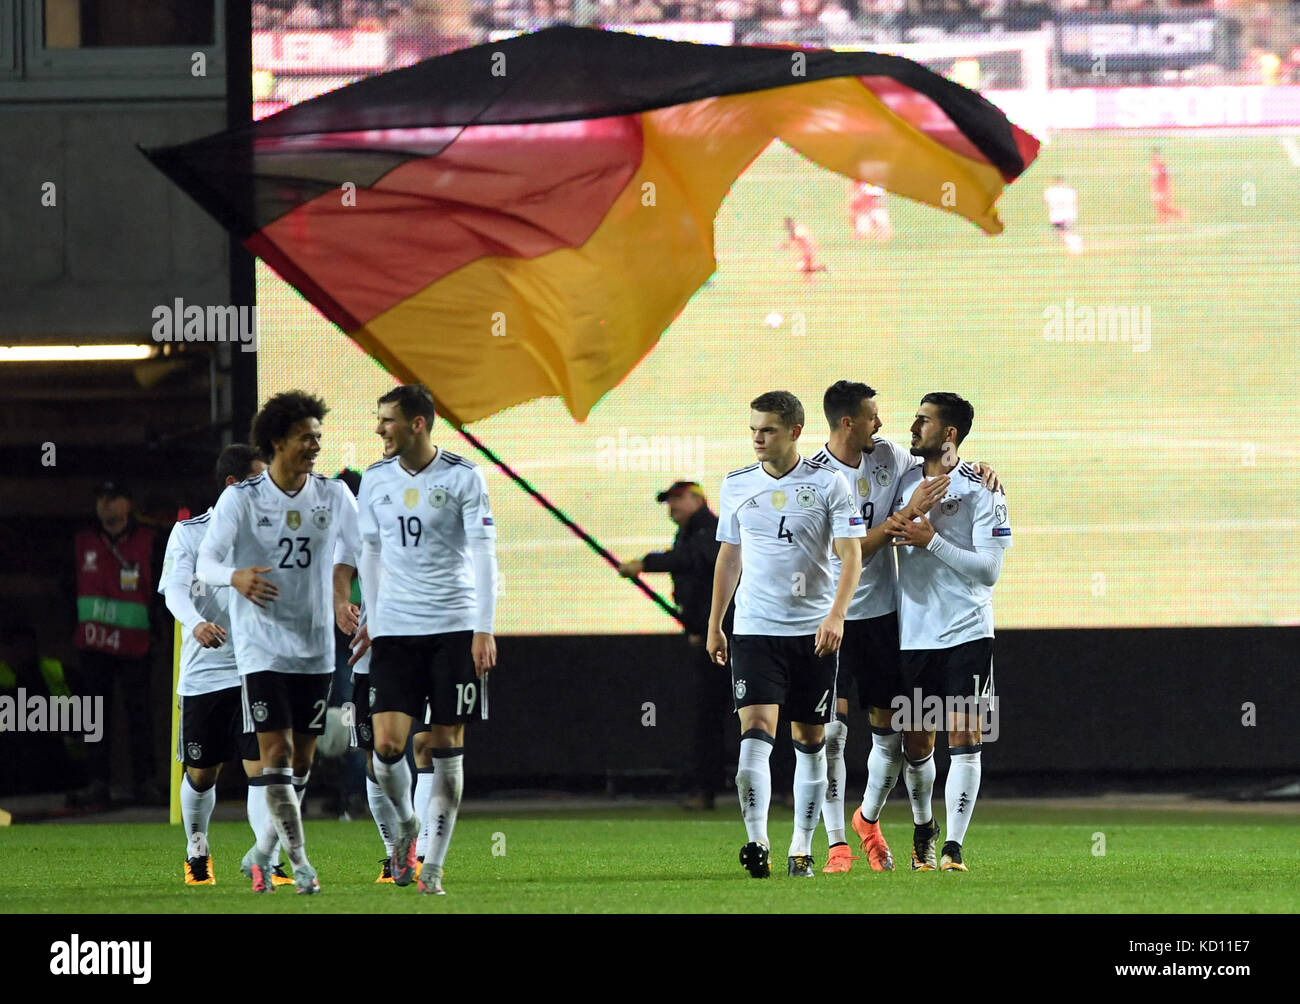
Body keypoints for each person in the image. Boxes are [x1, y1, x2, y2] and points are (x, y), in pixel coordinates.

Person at [809, 381, 1002, 873]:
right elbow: (849, 547)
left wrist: (976, 474)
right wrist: (905, 519)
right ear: (849, 421)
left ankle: (931, 837)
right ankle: (835, 843)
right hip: (855, 623)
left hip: (917, 626)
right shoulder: (842, 475)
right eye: (879, 416)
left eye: (923, 419)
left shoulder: (919, 469)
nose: (900, 426)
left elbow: (988, 567)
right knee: (837, 735)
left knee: (918, 743)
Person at [335, 383, 499, 895]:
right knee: (385, 745)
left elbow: (484, 555)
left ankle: (432, 868)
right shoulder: (377, 480)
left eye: (387, 420)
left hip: (453, 630)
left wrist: (483, 626)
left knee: (444, 744)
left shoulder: (463, 476)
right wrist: (375, 620)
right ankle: (407, 826)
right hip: (397, 634)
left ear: (418, 424)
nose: (379, 429)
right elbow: (372, 554)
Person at [197, 391, 360, 895]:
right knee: (278, 755)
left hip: (313, 647)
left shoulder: (333, 495)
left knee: (303, 762)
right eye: (305, 437)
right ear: (276, 442)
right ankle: (302, 864)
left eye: (317, 436)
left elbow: (356, 548)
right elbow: (206, 562)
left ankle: (260, 855)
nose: (315, 445)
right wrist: (236, 578)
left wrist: (340, 598)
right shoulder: (242, 498)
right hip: (260, 646)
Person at [706, 390, 864, 878]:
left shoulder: (829, 483)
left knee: (810, 739)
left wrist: (836, 615)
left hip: (812, 634)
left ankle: (801, 847)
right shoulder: (736, 485)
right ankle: (756, 841)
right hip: (755, 631)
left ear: (795, 431)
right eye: (754, 428)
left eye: (768, 429)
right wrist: (716, 622)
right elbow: (729, 556)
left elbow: (851, 554)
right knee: (754, 732)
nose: (757, 437)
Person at [883, 393, 1012, 872]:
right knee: (917, 745)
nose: (913, 427)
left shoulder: (983, 488)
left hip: (968, 631)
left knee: (965, 734)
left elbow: (989, 571)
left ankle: (954, 848)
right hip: (915, 632)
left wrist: (930, 540)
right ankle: (924, 826)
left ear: (950, 433)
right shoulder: (901, 480)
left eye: (924, 420)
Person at [160, 444, 292, 887]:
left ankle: (266, 860)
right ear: (235, 486)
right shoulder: (190, 534)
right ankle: (197, 847)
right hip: (204, 672)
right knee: (202, 773)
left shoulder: (268, 535)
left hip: (253, 669)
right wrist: (196, 624)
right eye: (258, 482)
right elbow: (175, 591)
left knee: (263, 768)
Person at [618, 481, 734, 810]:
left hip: (728, 639)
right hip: (708, 639)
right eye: (669, 502)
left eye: (678, 500)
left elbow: (695, 561)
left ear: (698, 499)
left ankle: (774, 789)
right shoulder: (687, 534)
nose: (672, 507)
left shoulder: (710, 530)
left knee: (733, 716)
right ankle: (706, 789)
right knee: (709, 717)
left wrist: (645, 564)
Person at [72, 480, 163, 807]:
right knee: (94, 715)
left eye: (114, 498)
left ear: (128, 503)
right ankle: (96, 782)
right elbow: (67, 587)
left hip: (135, 642)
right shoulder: (83, 542)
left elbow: (160, 590)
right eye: (101, 499)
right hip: (94, 645)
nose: (106, 505)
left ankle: (145, 782)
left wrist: (156, 630)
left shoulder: (149, 542)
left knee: (140, 714)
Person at [1043, 176, 1082, 254]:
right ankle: (1074, 244)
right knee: (1063, 232)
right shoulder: (1070, 191)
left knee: (1062, 232)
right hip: (1069, 214)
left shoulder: (1050, 191)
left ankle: (1075, 245)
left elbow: (1046, 202)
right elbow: (1074, 202)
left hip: (1057, 216)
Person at [1148, 148, 1186, 223]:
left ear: (1159, 156)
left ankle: (1180, 214)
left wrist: (1166, 189)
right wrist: (1153, 190)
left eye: (1156, 156)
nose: (1155, 157)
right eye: (1153, 156)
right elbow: (1153, 179)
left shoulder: (1162, 165)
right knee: (1159, 207)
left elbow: (1167, 175)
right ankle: (1164, 223)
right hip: (1157, 189)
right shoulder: (1152, 165)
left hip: (1164, 188)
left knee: (1164, 207)